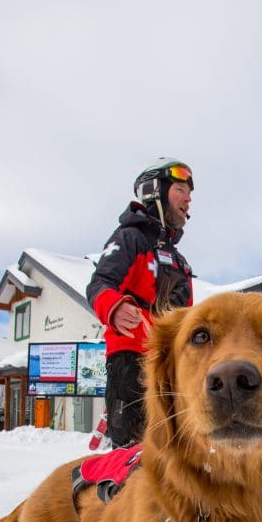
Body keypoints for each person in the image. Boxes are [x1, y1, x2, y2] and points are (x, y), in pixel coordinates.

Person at [87, 159, 194, 448]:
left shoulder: (180, 263)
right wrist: (115, 307)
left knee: (174, 455)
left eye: (190, 194)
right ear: (154, 191)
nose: (188, 199)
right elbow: (99, 285)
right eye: (181, 190)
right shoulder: (129, 238)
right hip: (131, 362)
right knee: (132, 456)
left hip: (172, 369)